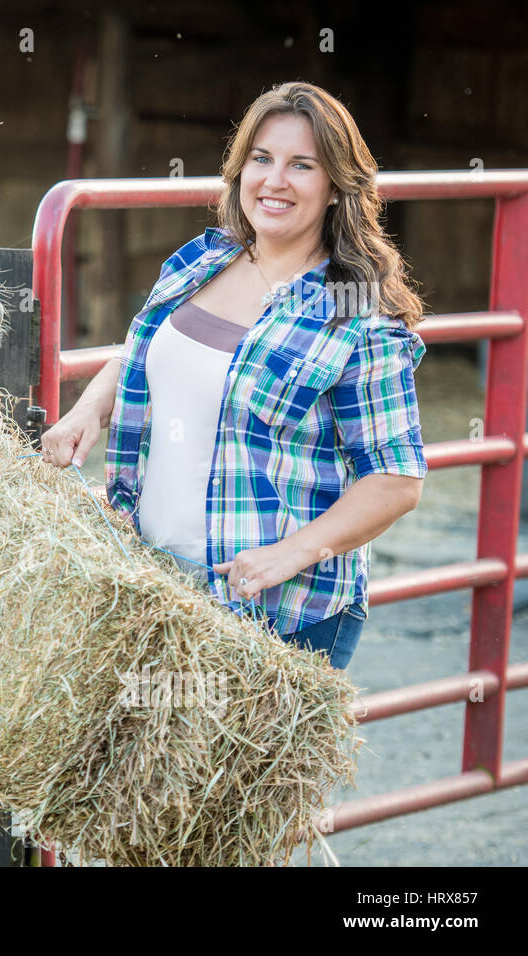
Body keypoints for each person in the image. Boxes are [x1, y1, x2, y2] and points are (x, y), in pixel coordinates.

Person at [41, 81, 427, 670]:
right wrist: (90, 407)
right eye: (262, 159)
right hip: (155, 586)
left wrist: (290, 555)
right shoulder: (203, 258)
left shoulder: (354, 311)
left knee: (244, 768)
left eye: (303, 165)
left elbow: (397, 479)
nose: (275, 181)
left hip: (272, 609)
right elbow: (137, 354)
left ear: (334, 189)